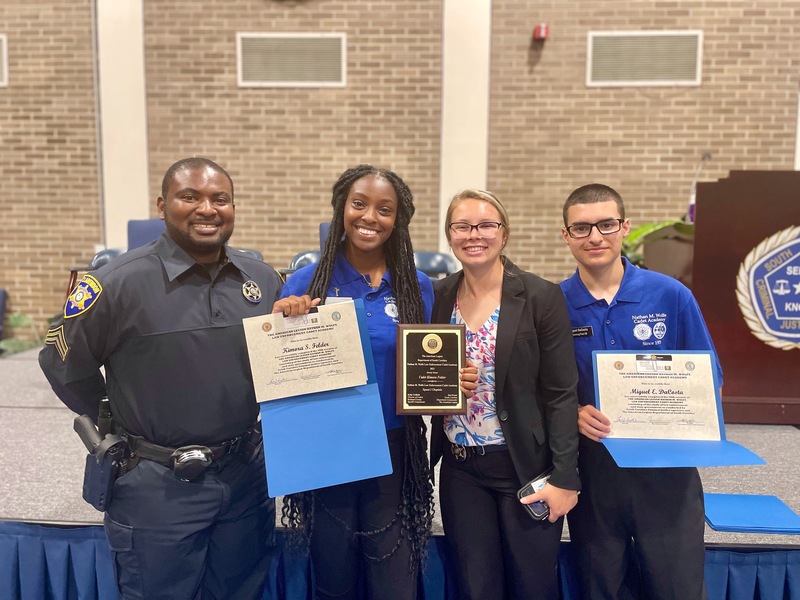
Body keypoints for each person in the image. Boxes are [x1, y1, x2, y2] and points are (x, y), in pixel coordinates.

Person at [39, 157, 283, 599]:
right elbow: (63, 365)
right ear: (162, 205)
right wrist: (114, 415)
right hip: (156, 487)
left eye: (220, 199)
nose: (207, 209)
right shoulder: (114, 283)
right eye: (190, 196)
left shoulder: (263, 281)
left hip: (246, 480)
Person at [275, 164, 437, 600]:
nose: (370, 217)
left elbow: (430, 365)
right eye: (359, 204)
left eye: (385, 209)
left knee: (394, 577)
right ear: (341, 208)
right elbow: (278, 372)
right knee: (334, 575)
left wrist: (451, 380)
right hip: (329, 448)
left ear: (398, 219)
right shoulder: (306, 283)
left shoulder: (418, 287)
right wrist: (284, 325)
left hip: (395, 445)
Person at [559, 183, 722, 600]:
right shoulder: (553, 304)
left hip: (667, 473)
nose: (595, 236)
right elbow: (540, 389)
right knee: (600, 587)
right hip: (593, 473)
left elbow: (708, 380)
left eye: (606, 224)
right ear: (566, 236)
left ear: (624, 228)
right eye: (581, 228)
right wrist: (575, 411)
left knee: (677, 588)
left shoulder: (671, 295)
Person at [429, 189, 581, 600]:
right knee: (476, 585)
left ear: (505, 233)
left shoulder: (540, 296)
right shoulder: (438, 295)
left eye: (485, 225)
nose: (473, 235)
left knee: (532, 585)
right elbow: (419, 375)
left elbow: (562, 394)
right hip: (461, 470)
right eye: (462, 226)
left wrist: (567, 477)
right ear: (449, 234)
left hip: (524, 467)